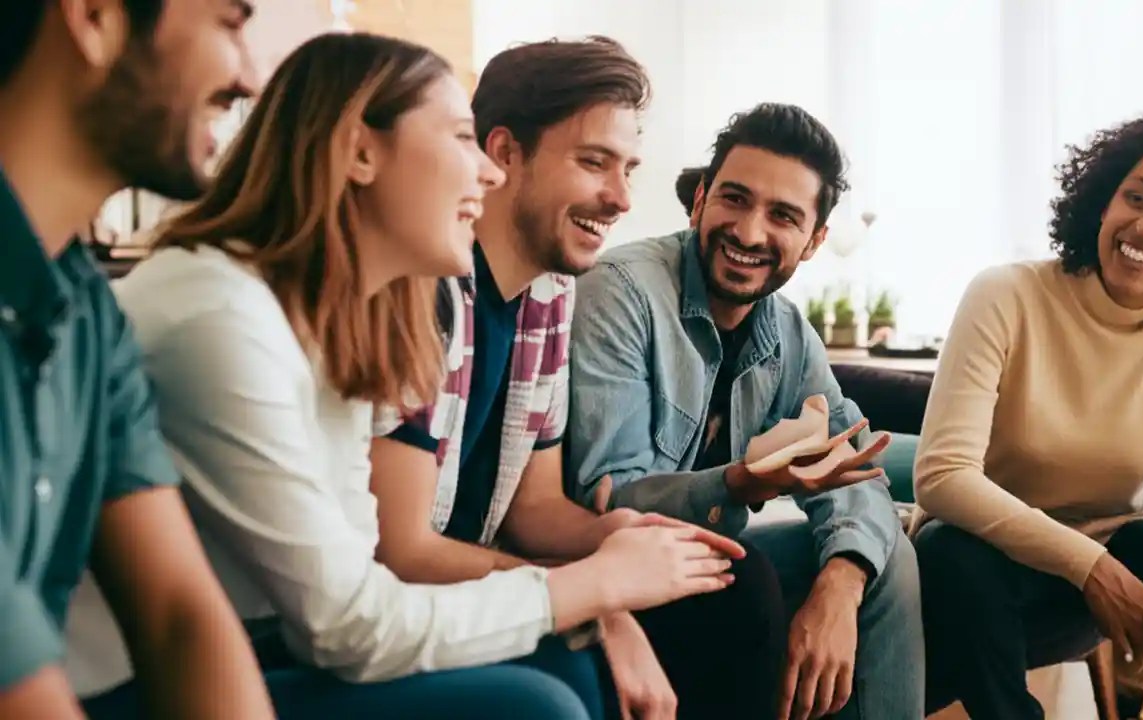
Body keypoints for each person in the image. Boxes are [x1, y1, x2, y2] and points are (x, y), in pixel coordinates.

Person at [65, 32, 744, 720]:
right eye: (460, 139)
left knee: (561, 675)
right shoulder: (221, 317)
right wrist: (591, 588)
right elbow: (355, 613)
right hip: (128, 683)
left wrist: (604, 566)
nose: (485, 173)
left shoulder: (347, 317)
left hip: (262, 643)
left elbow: (356, 574)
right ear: (360, 152)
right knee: (533, 706)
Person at [369, 37, 788, 720]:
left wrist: (617, 532)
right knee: (586, 675)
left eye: (628, 168)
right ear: (503, 153)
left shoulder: (551, 292)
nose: (621, 198)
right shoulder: (427, 286)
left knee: (735, 581)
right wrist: (599, 600)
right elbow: (401, 551)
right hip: (415, 597)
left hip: (488, 574)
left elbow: (532, 509)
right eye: (594, 162)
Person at [913, 109, 1143, 719]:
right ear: (1104, 203)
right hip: (984, 563)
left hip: (1117, 549)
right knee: (953, 554)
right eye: (1135, 198)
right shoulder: (1007, 294)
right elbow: (944, 478)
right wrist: (1091, 567)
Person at [567, 102, 926, 720]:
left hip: (706, 560)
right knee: (752, 574)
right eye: (735, 199)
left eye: (783, 216)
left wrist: (840, 584)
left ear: (813, 241)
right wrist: (741, 482)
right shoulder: (620, 292)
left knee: (883, 557)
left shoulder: (787, 331)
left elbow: (854, 468)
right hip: (609, 569)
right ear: (700, 199)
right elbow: (608, 499)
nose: (751, 232)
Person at [0, 1, 274, 717]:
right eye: (229, 23)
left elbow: (181, 614)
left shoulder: (84, 304)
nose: (250, 75)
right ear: (94, 16)